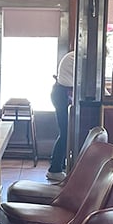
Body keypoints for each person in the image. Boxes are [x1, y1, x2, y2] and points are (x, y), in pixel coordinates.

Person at [47, 50, 75, 182]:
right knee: (66, 133)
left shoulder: (73, 56)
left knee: (65, 132)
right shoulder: (79, 57)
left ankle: (58, 164)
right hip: (62, 94)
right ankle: (55, 169)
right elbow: (87, 81)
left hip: (59, 92)